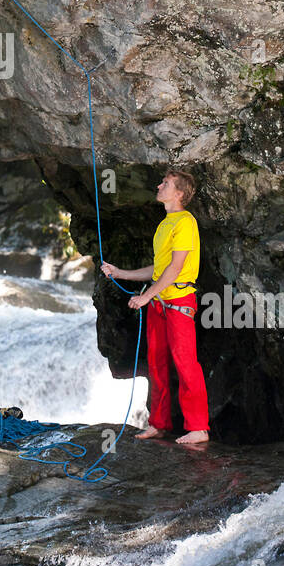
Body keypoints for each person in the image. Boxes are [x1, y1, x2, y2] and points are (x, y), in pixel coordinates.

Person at [101, 169, 210, 445]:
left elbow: (175, 269)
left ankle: (199, 428)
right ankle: (159, 424)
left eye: (166, 184)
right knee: (156, 365)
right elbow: (158, 269)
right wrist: (120, 272)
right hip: (160, 303)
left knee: (186, 365)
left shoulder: (185, 222)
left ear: (179, 193)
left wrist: (146, 297)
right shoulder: (164, 225)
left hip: (178, 302)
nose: (159, 185)